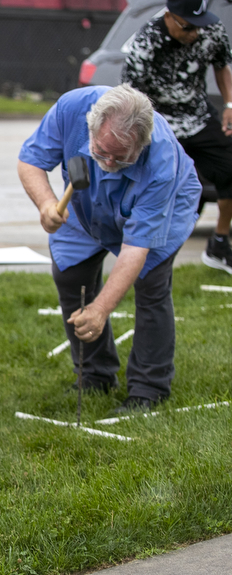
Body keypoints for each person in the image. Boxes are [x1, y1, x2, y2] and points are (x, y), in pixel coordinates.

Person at [18, 84, 201, 414]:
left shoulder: (161, 162)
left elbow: (135, 249)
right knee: (71, 275)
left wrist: (101, 309)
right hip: (86, 203)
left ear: (142, 143)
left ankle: (148, 390)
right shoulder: (71, 109)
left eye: (122, 157)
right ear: (91, 125)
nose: (109, 162)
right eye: (101, 152)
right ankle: (95, 375)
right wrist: (46, 203)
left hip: (161, 207)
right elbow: (30, 161)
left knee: (151, 284)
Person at [122, 0, 232, 274]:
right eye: (188, 27)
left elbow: (222, 64)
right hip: (159, 123)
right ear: (169, 16)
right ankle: (146, 249)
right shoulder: (147, 41)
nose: (195, 33)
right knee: (163, 185)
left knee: (229, 168)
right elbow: (133, 97)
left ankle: (220, 243)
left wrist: (230, 104)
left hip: (198, 117)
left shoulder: (211, 30)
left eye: (200, 24)